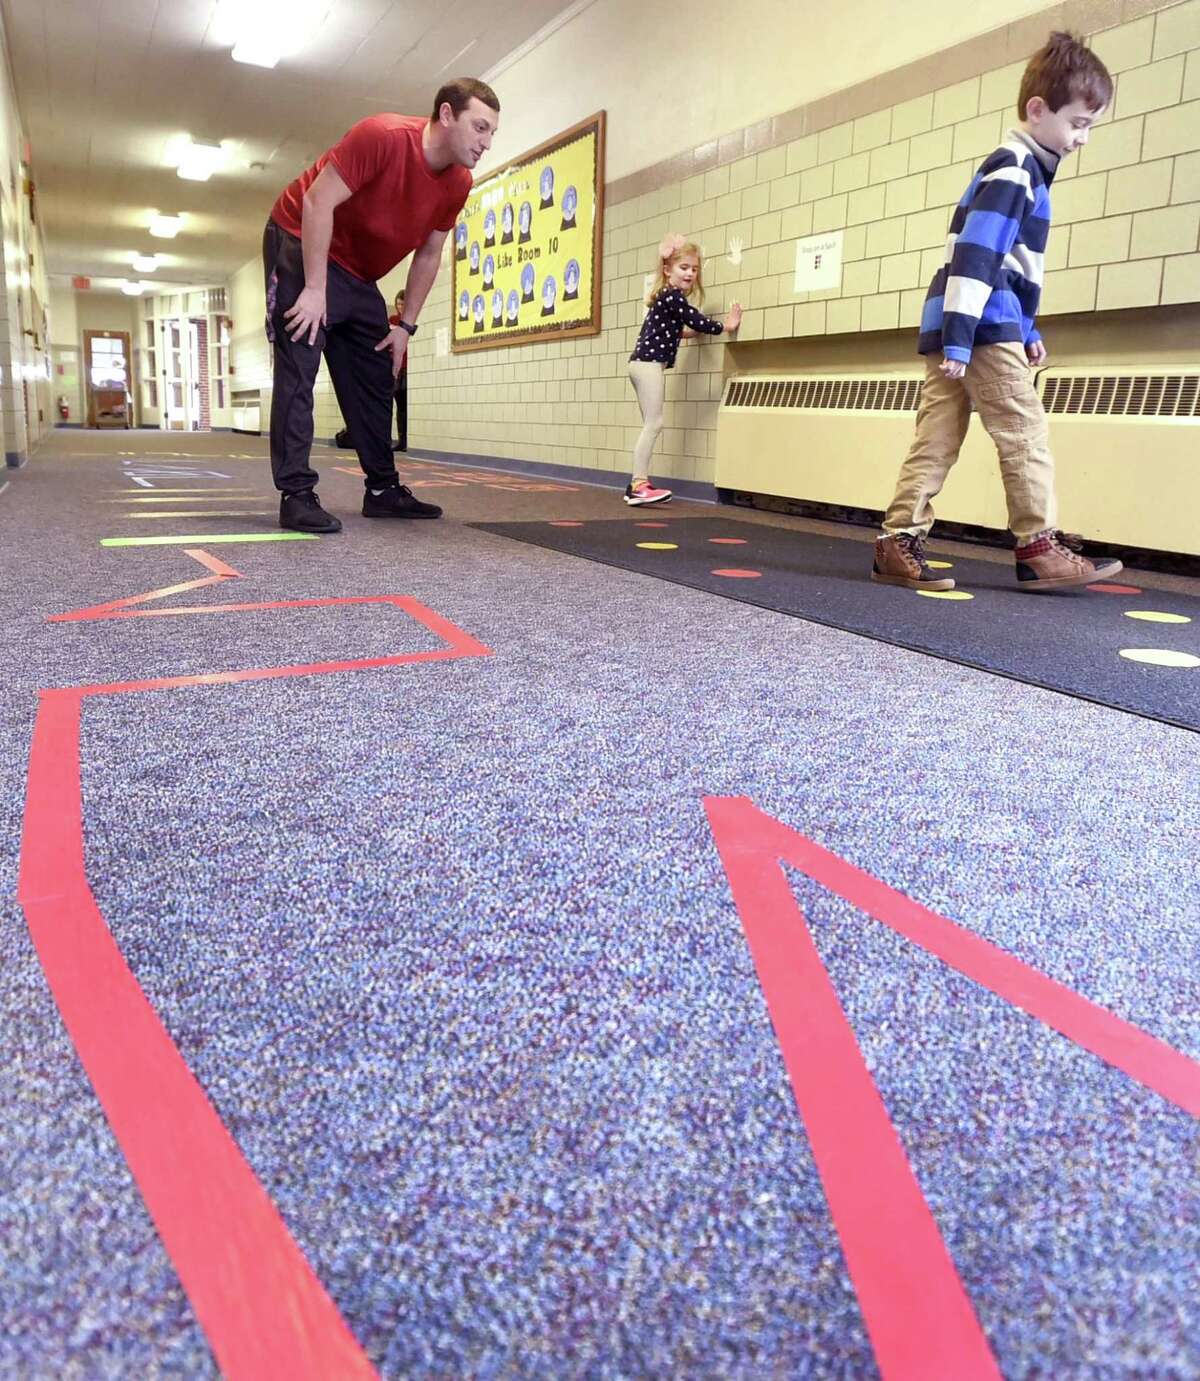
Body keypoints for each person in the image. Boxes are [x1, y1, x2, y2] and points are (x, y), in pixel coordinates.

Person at [871, 33, 1122, 592]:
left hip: (967, 320)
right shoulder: (1015, 170)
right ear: (1038, 110)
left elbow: (1006, 262)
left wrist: (1025, 328)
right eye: (1078, 123)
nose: (1082, 139)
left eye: (1090, 127)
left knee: (937, 433)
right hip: (980, 323)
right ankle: (1038, 546)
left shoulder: (1020, 170)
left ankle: (897, 540)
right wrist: (965, 336)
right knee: (1023, 428)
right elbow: (977, 256)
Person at [264, 78, 500, 533]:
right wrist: (314, 291)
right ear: (447, 115)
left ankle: (382, 489)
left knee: (375, 368)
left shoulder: (458, 182)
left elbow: (430, 253)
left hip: (357, 272)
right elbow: (317, 202)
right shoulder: (383, 136)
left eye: (492, 134)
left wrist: (404, 328)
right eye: (480, 128)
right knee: (301, 359)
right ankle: (295, 493)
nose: (486, 143)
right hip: (300, 238)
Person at [625, 234, 741, 507]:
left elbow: (674, 329)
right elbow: (694, 318)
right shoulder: (671, 296)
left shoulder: (664, 299)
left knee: (649, 425)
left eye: (694, 269)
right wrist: (725, 326)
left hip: (641, 364)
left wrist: (690, 334)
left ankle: (635, 484)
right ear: (667, 270)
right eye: (683, 267)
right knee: (654, 424)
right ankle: (638, 485)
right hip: (648, 365)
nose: (690, 273)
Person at [335, 287, 410, 452]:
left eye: (403, 304)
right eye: (398, 304)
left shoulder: (409, 323)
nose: (400, 307)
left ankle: (405, 440)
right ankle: (389, 439)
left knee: (405, 407)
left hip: (408, 369)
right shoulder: (392, 320)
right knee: (392, 405)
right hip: (395, 368)